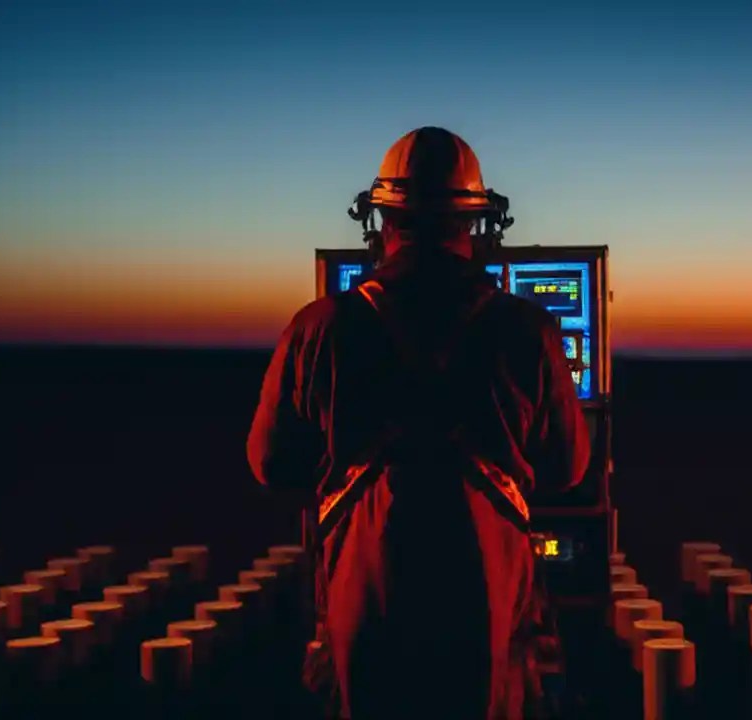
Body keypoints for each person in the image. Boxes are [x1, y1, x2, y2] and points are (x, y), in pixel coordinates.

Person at [247, 126, 590, 719]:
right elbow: (567, 468)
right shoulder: (527, 330)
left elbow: (271, 464)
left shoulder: (318, 327)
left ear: (381, 223)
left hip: (365, 620)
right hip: (486, 619)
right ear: (477, 226)